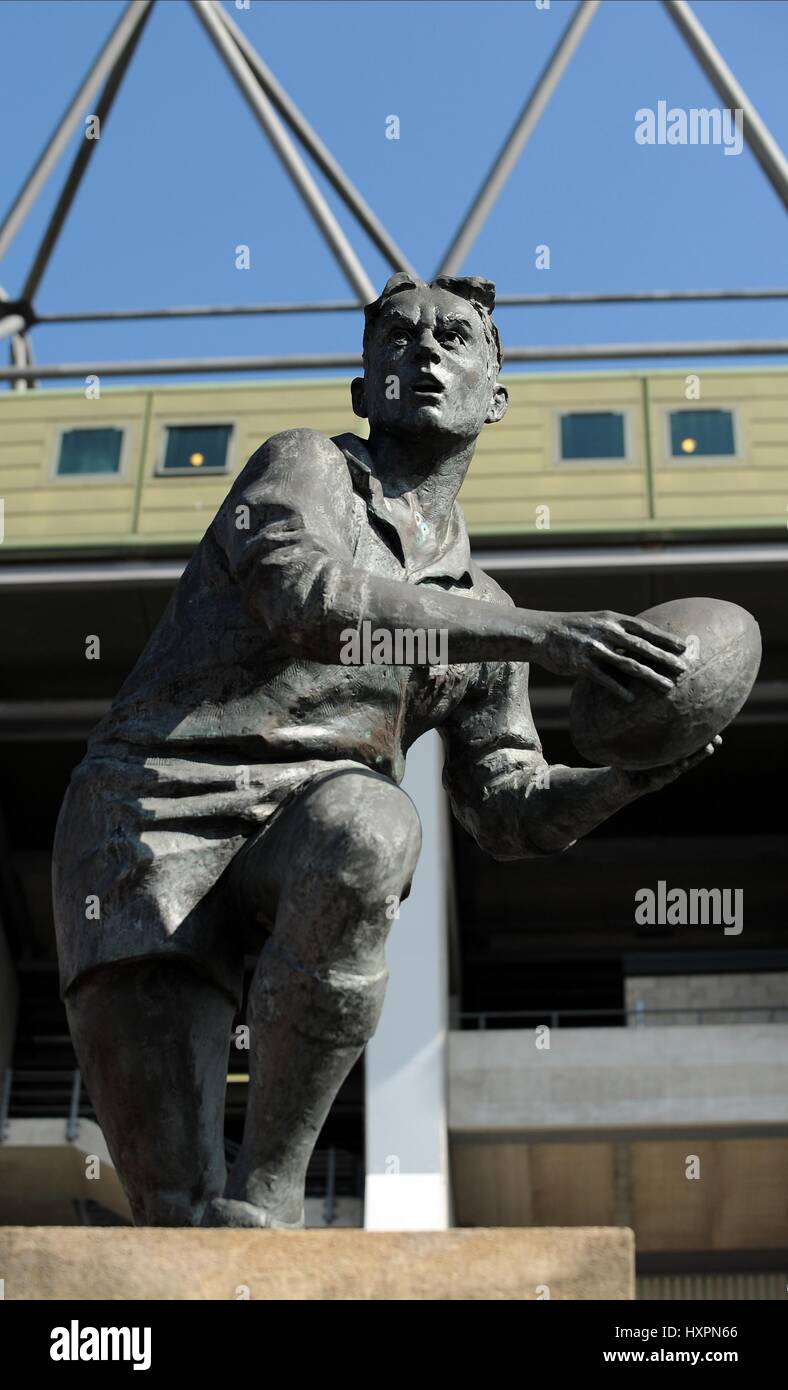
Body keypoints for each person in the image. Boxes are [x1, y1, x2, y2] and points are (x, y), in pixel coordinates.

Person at [52, 273, 719, 1228]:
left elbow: (507, 808)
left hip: (311, 816)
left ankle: (274, 1191)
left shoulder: (482, 612)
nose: (423, 349)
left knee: (372, 827)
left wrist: (625, 781)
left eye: (453, 336)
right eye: (396, 338)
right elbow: (313, 605)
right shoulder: (305, 467)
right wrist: (544, 635)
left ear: (495, 392)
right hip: (152, 820)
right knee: (176, 1215)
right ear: (363, 389)